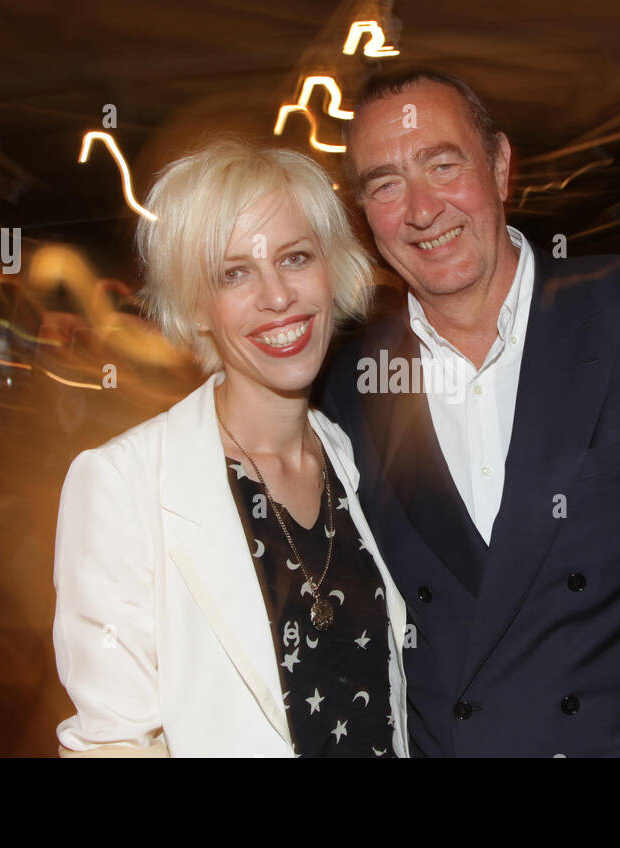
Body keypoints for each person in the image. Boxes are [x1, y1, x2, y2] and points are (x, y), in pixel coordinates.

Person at [321, 69, 620, 756]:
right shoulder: (346, 388)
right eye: (385, 184)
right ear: (364, 212)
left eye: (443, 164)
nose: (422, 210)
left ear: (499, 166)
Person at [52, 136, 409, 757]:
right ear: (195, 308)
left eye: (296, 258)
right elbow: (112, 747)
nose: (277, 297)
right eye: (234, 272)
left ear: (333, 271)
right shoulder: (125, 484)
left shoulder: (347, 457)